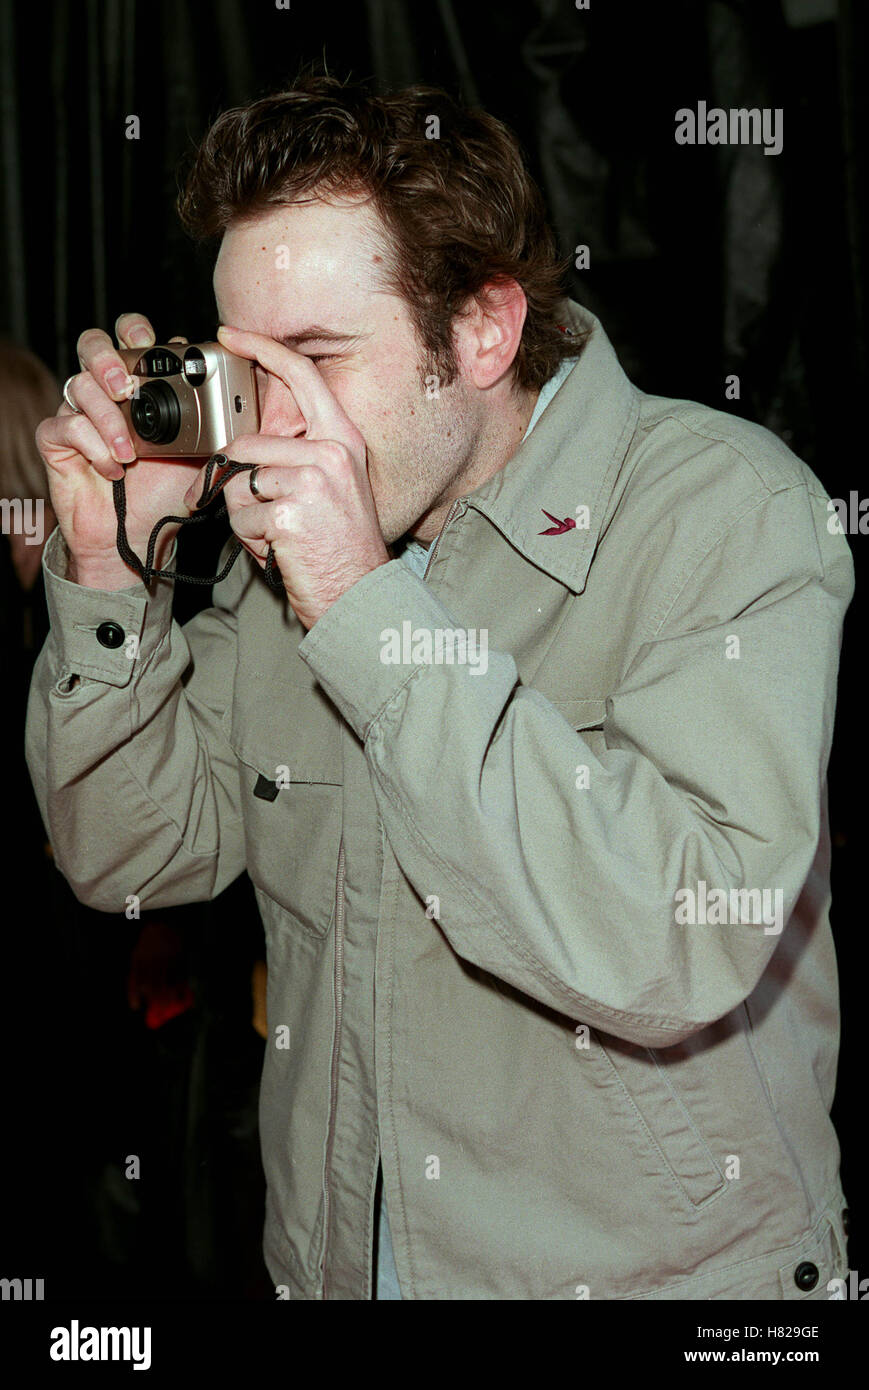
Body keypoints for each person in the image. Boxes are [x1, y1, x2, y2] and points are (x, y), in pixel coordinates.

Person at [26, 73, 854, 1300]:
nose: (271, 422)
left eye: (316, 357)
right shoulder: (280, 549)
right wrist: (109, 574)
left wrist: (365, 604)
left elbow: (678, 940)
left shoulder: (721, 509)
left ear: (480, 330)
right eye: (246, 366)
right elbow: (134, 856)